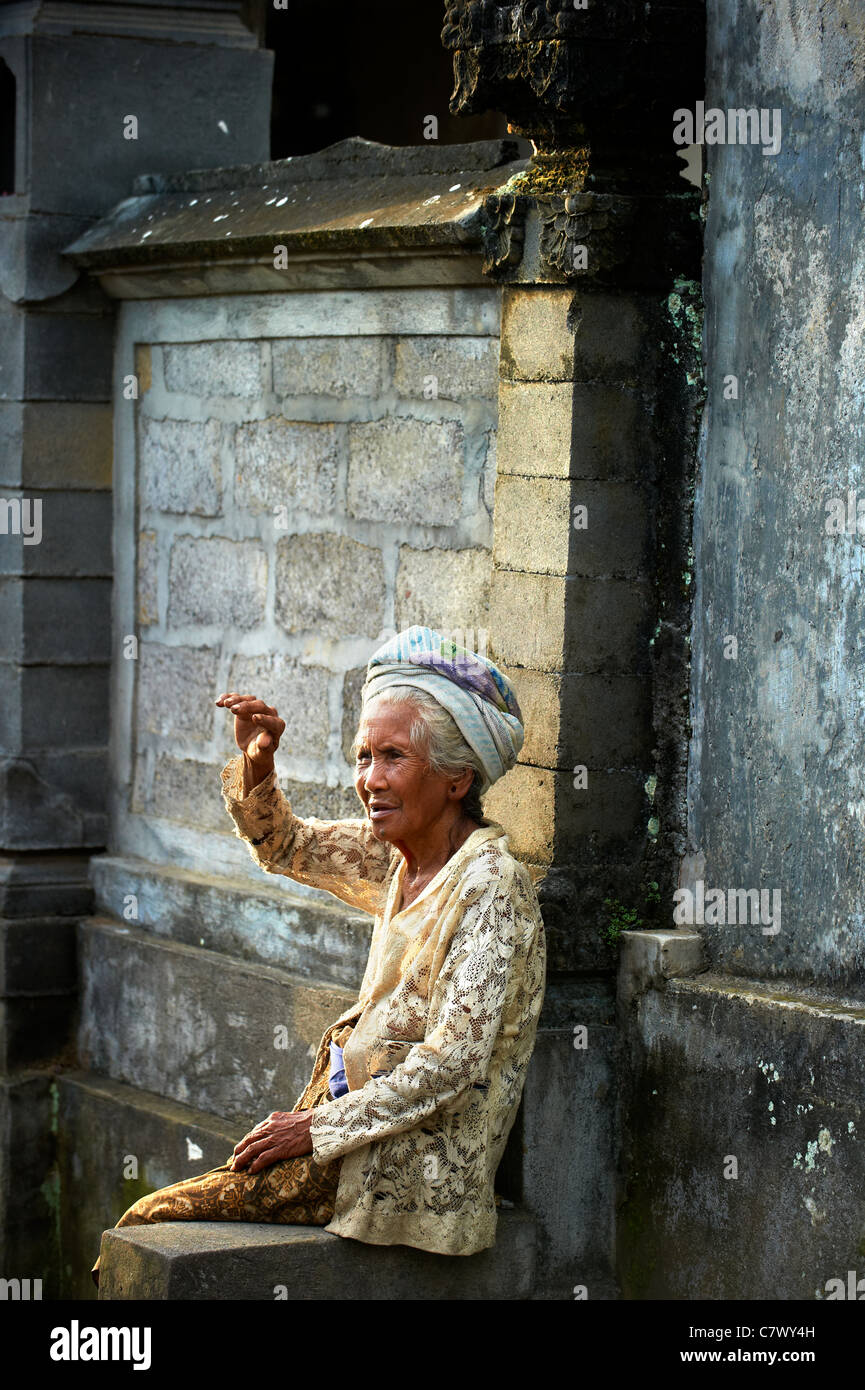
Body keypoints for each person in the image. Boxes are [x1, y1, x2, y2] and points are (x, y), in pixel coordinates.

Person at [91, 626, 546, 1285]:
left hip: (397, 1167)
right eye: (364, 757)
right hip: (345, 1134)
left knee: (151, 1220)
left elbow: (451, 1066)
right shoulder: (398, 855)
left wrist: (314, 1130)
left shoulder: (491, 890)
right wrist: (259, 763)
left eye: (392, 757)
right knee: (162, 1217)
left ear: (457, 780)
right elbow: (288, 846)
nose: (370, 780)